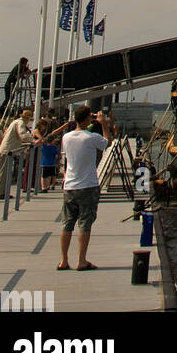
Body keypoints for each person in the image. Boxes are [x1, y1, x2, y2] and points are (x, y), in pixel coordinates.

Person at [57, 106, 108, 271]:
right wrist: (103, 123)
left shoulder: (66, 137)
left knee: (67, 223)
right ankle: (81, 260)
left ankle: (63, 260)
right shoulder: (91, 137)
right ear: (87, 119)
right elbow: (107, 142)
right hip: (88, 185)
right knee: (85, 224)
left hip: (69, 186)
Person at [34, 119, 59, 191]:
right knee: (51, 175)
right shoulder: (53, 147)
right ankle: (49, 186)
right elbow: (56, 155)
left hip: (44, 162)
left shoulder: (44, 147)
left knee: (44, 175)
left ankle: (43, 187)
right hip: (51, 163)